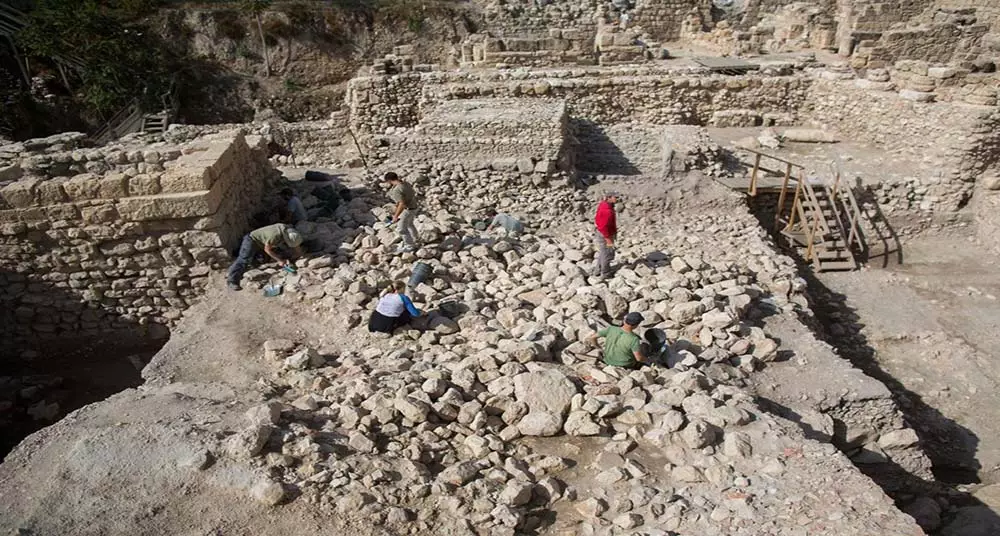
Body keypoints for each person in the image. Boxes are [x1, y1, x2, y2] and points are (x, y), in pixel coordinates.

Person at [227, 223, 303, 291]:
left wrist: (298, 256)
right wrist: (279, 260)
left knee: (260, 260)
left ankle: (240, 269)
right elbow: (267, 250)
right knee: (244, 259)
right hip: (251, 240)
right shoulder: (275, 235)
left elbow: (296, 246)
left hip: (263, 242)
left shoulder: (290, 231)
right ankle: (232, 280)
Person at [386, 172, 420, 253]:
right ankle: (416, 239)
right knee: (410, 224)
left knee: (401, 229)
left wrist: (395, 216)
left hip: (408, 209)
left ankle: (409, 246)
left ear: (389, 181)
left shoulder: (397, 189)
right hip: (414, 207)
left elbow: (402, 204)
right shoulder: (406, 184)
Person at [593, 191, 619, 278]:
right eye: (615, 197)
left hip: (604, 232)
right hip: (605, 234)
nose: (617, 199)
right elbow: (604, 226)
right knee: (607, 253)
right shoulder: (607, 211)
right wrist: (608, 238)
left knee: (603, 252)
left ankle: (598, 270)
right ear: (609, 198)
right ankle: (605, 273)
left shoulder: (604, 205)